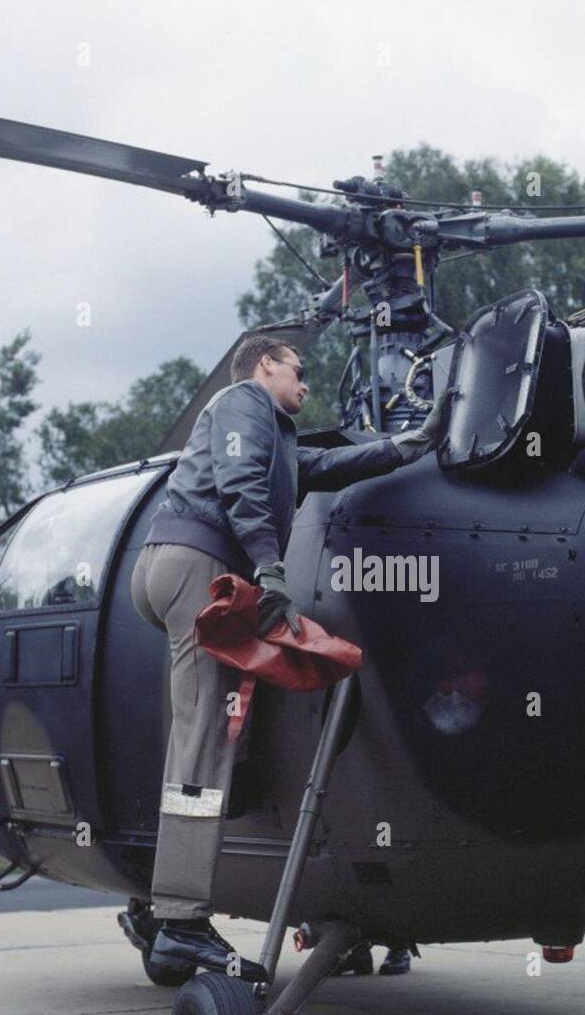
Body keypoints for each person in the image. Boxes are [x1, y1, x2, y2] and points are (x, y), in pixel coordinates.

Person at [130, 334, 445, 981]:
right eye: (298, 371)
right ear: (265, 365)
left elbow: (322, 471)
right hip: (199, 563)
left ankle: (173, 902)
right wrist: (270, 568)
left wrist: (408, 447)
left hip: (178, 563)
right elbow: (242, 482)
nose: (306, 384)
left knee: (207, 729)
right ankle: (181, 920)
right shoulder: (243, 400)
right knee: (201, 744)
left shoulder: (276, 440)